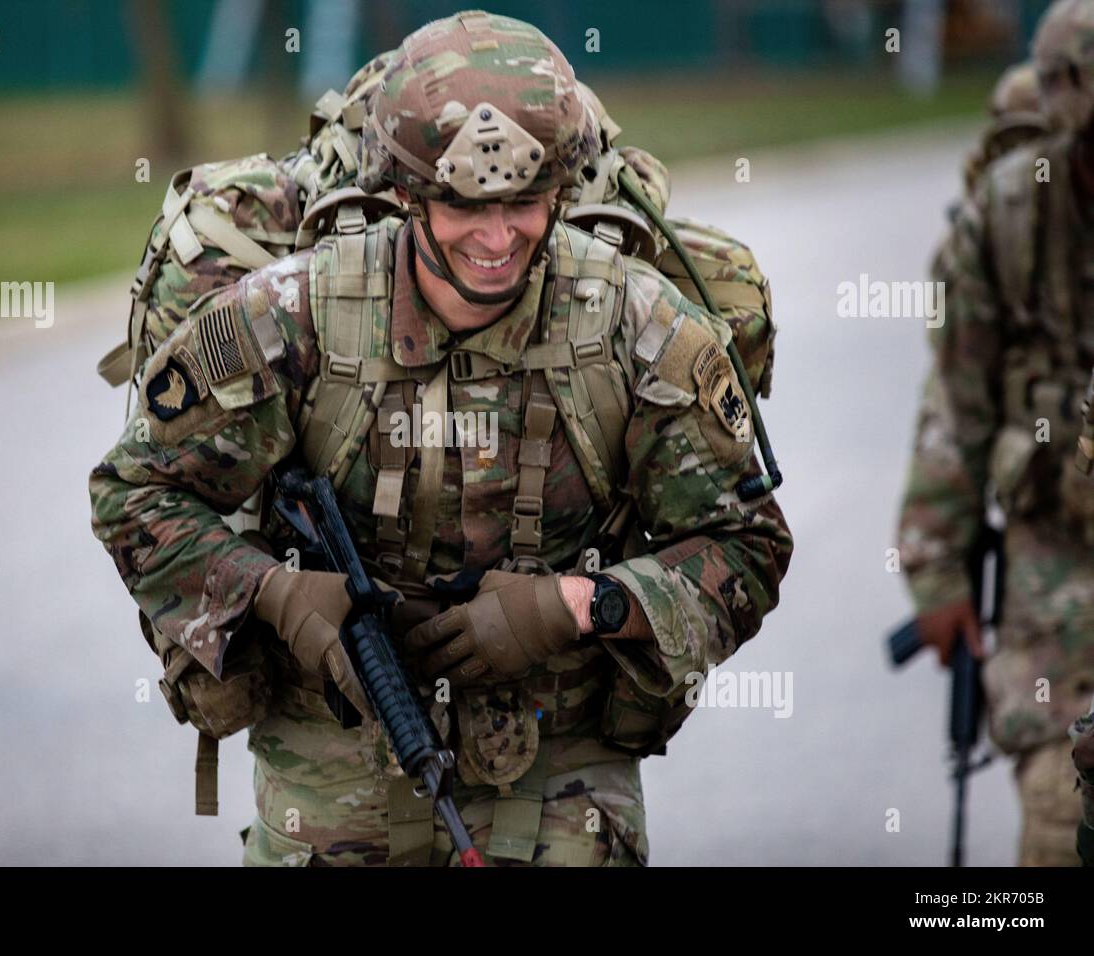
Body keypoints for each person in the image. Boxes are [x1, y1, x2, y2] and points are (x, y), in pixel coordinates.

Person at [90, 9, 792, 866]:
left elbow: (748, 545)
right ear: (406, 194)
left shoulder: (632, 324)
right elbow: (133, 494)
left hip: (557, 760)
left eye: (524, 205)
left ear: (560, 193)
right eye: (463, 205)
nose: (496, 240)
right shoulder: (291, 315)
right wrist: (278, 597)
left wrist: (574, 607)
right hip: (334, 758)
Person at [896, 0, 1094, 866]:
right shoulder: (1009, 216)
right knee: (1061, 807)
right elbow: (956, 405)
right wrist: (936, 571)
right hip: (1059, 564)